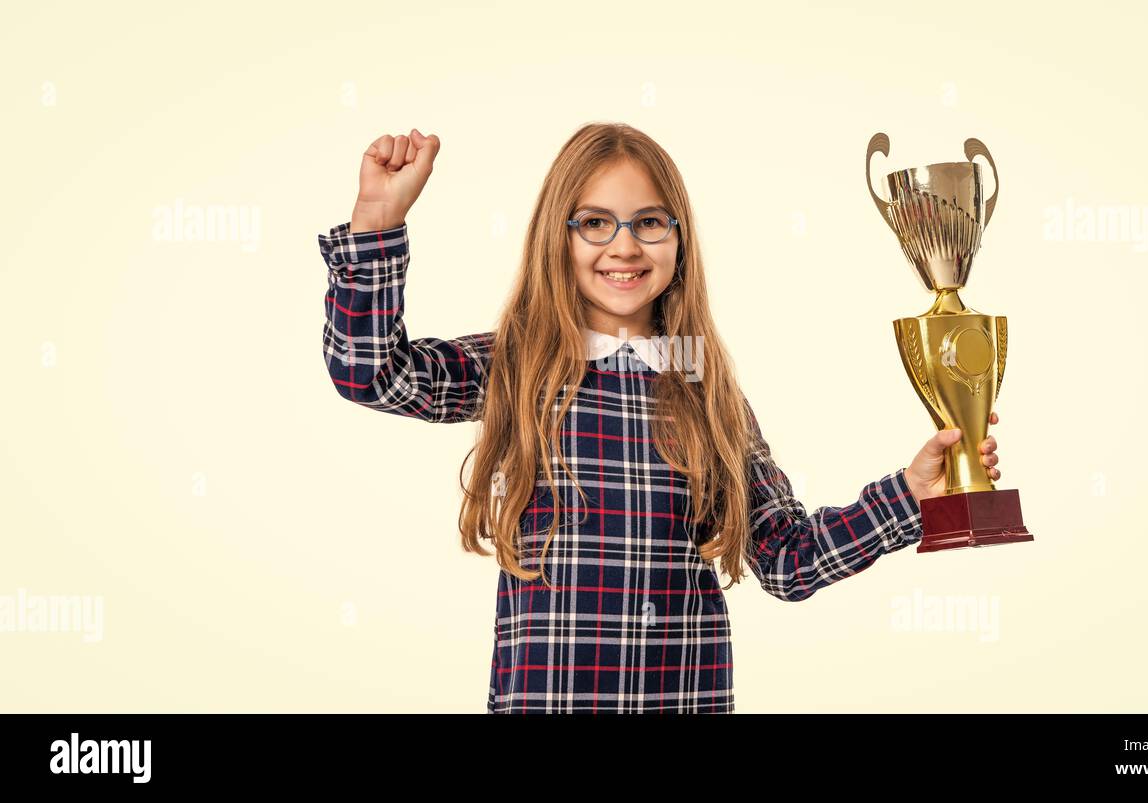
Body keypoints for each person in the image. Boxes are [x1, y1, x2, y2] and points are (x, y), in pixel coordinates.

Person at [318, 123, 1002, 713]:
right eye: (595, 222)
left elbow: (788, 559)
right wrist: (376, 226)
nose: (624, 247)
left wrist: (911, 497)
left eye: (648, 222)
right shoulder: (516, 366)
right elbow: (373, 373)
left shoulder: (708, 392)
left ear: (678, 240)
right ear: (558, 237)